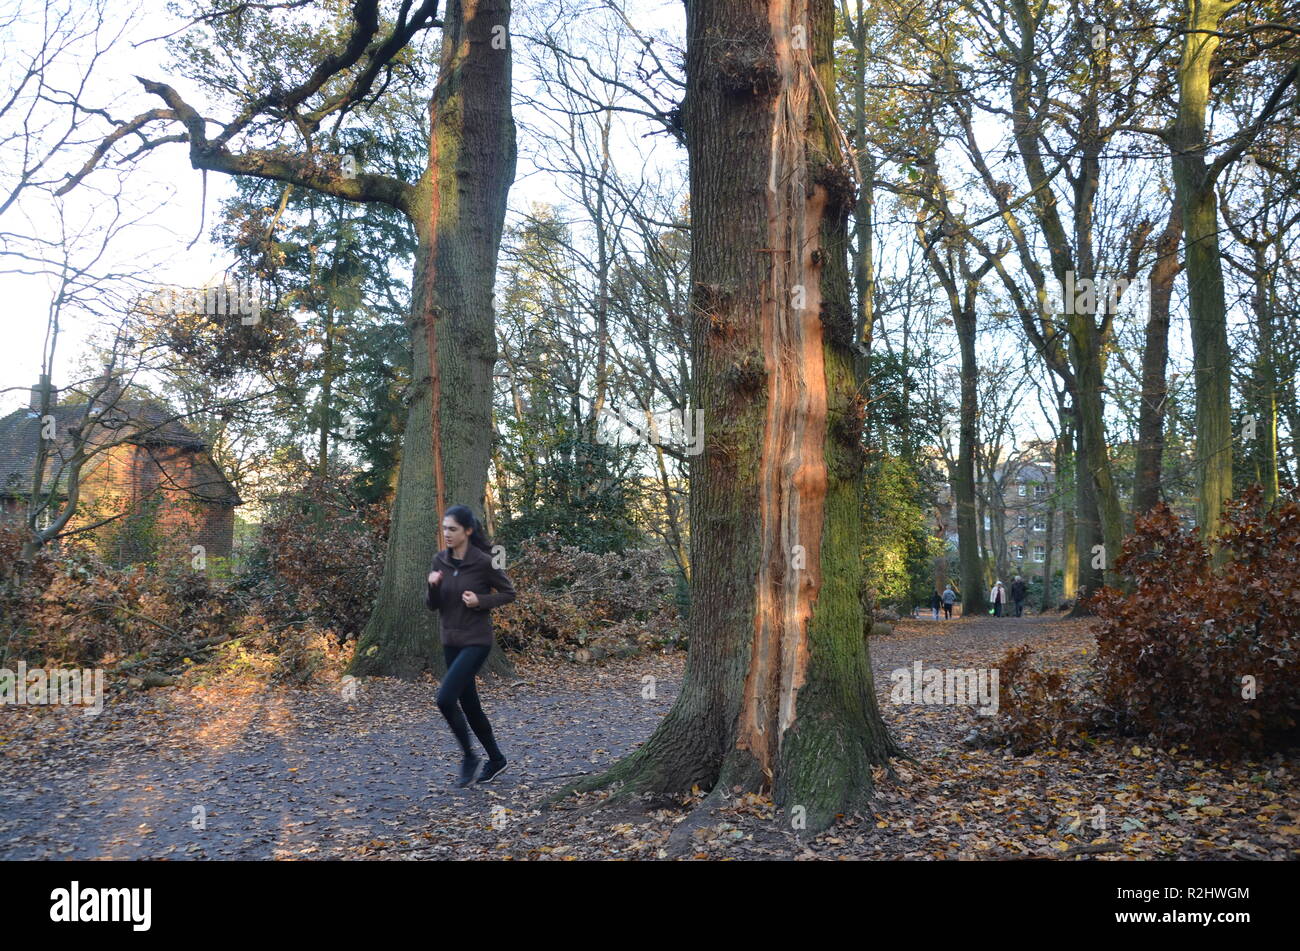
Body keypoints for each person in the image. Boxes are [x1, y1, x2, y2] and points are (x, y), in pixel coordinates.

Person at [426, 504, 517, 786]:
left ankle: (468, 756)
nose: (447, 534)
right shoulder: (440, 561)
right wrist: (433, 587)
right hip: (450, 641)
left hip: (476, 641)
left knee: (444, 699)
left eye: (452, 529)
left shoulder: (483, 561)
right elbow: (433, 606)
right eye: (444, 529)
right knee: (470, 703)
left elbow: (508, 593)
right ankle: (496, 758)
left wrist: (481, 601)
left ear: (467, 531)